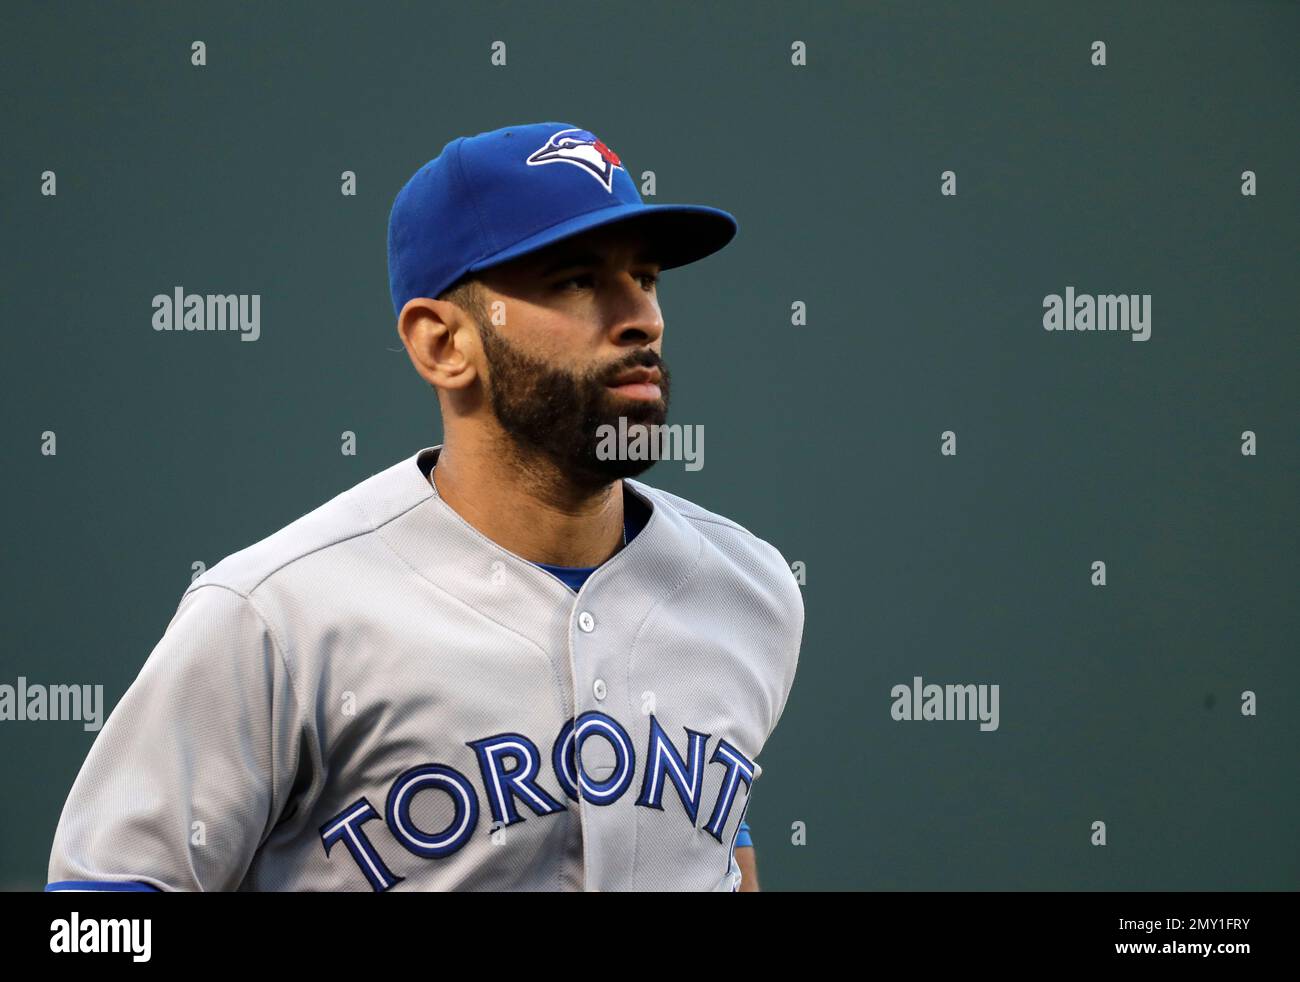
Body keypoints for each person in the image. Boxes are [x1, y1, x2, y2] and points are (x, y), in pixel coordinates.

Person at [46, 122, 803, 892]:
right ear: (444, 343)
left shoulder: (748, 588)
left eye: (645, 277)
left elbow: (717, 844)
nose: (643, 317)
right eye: (576, 280)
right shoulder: (275, 616)